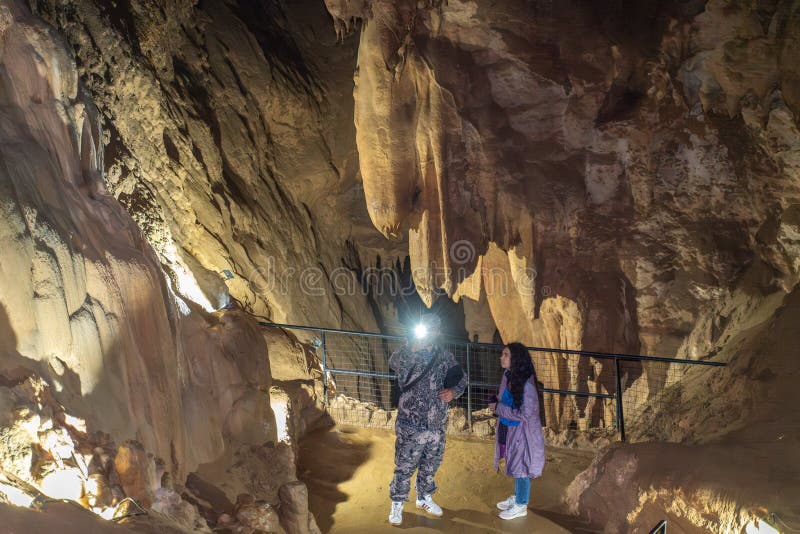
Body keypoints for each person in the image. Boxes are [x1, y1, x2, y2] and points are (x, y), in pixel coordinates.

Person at [387, 314, 467, 526]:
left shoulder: (445, 357)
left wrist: (453, 391)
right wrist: (411, 348)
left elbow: (462, 377)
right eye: (426, 329)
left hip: (436, 425)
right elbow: (393, 363)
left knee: (430, 465)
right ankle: (397, 502)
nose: (429, 334)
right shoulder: (407, 350)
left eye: (433, 330)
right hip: (410, 424)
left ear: (438, 332)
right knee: (404, 466)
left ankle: (424, 498)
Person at [489, 342, 546, 520]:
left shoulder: (526, 385)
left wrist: (498, 408)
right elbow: (505, 400)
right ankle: (517, 496)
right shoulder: (508, 376)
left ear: (516, 359)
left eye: (505, 354)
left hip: (522, 433)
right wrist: (496, 402)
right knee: (514, 462)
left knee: (521, 467)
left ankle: (521, 504)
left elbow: (526, 414)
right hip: (510, 428)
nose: (501, 357)